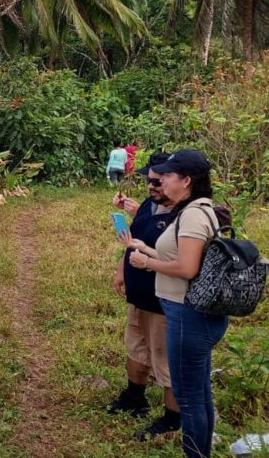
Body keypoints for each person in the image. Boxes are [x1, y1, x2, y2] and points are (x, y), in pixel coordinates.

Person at [127, 150, 226, 458]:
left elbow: (186, 268)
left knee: (190, 398)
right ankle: (200, 450)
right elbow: (179, 258)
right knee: (200, 394)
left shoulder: (195, 213)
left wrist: (146, 263)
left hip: (188, 313)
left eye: (168, 175)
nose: (161, 180)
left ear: (187, 181)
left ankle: (195, 453)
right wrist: (147, 249)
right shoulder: (193, 209)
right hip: (189, 311)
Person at [107, 152, 180, 440]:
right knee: (136, 345)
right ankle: (134, 397)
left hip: (163, 301)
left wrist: (146, 262)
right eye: (149, 180)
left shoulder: (183, 216)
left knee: (165, 359)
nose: (152, 185)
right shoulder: (152, 204)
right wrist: (121, 270)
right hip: (139, 295)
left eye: (158, 181)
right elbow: (134, 237)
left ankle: (172, 418)